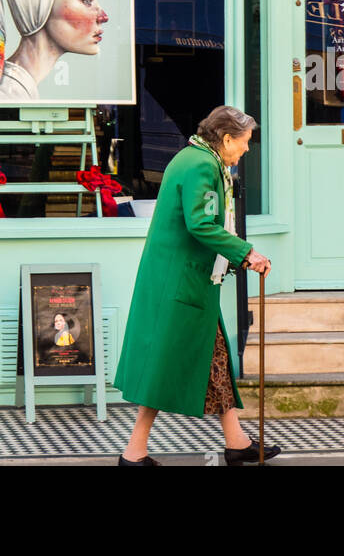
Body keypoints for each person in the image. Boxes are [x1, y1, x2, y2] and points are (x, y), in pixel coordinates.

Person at [113, 105, 282, 467]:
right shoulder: (204, 166)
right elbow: (201, 224)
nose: (247, 149)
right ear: (225, 138)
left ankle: (237, 443)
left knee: (214, 358)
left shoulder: (193, 158)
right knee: (165, 364)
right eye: (245, 141)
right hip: (182, 283)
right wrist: (247, 253)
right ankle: (133, 452)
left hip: (184, 281)